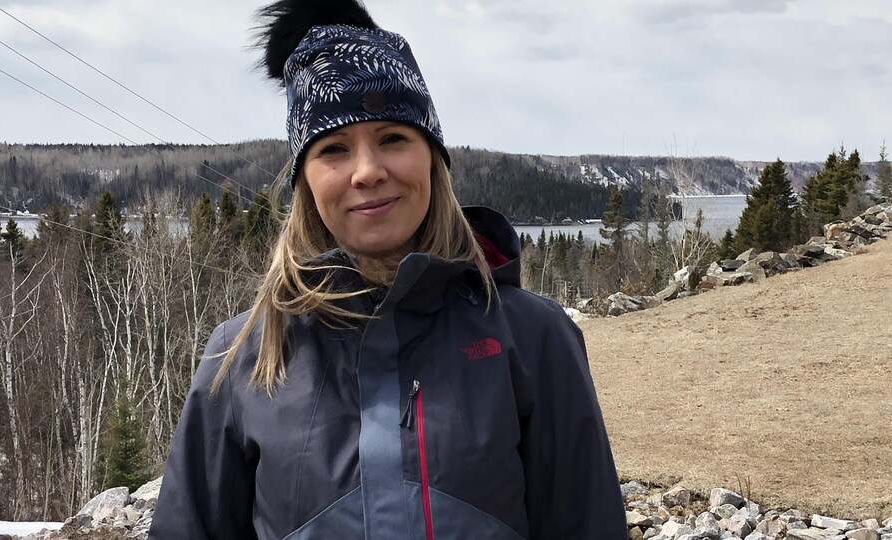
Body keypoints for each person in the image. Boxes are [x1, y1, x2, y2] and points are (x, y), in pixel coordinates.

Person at [149, 0, 627, 538]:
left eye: (393, 139)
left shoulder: (534, 339)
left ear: (432, 157)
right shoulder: (241, 361)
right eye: (333, 149)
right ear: (305, 179)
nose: (368, 172)